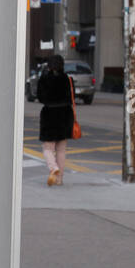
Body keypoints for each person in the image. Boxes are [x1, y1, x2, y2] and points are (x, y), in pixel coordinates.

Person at [37, 54, 76, 186]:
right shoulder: (67, 79)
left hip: (49, 114)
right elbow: (72, 97)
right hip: (65, 115)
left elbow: (40, 97)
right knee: (61, 150)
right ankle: (59, 180)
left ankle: (53, 168)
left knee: (48, 148)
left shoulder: (44, 79)